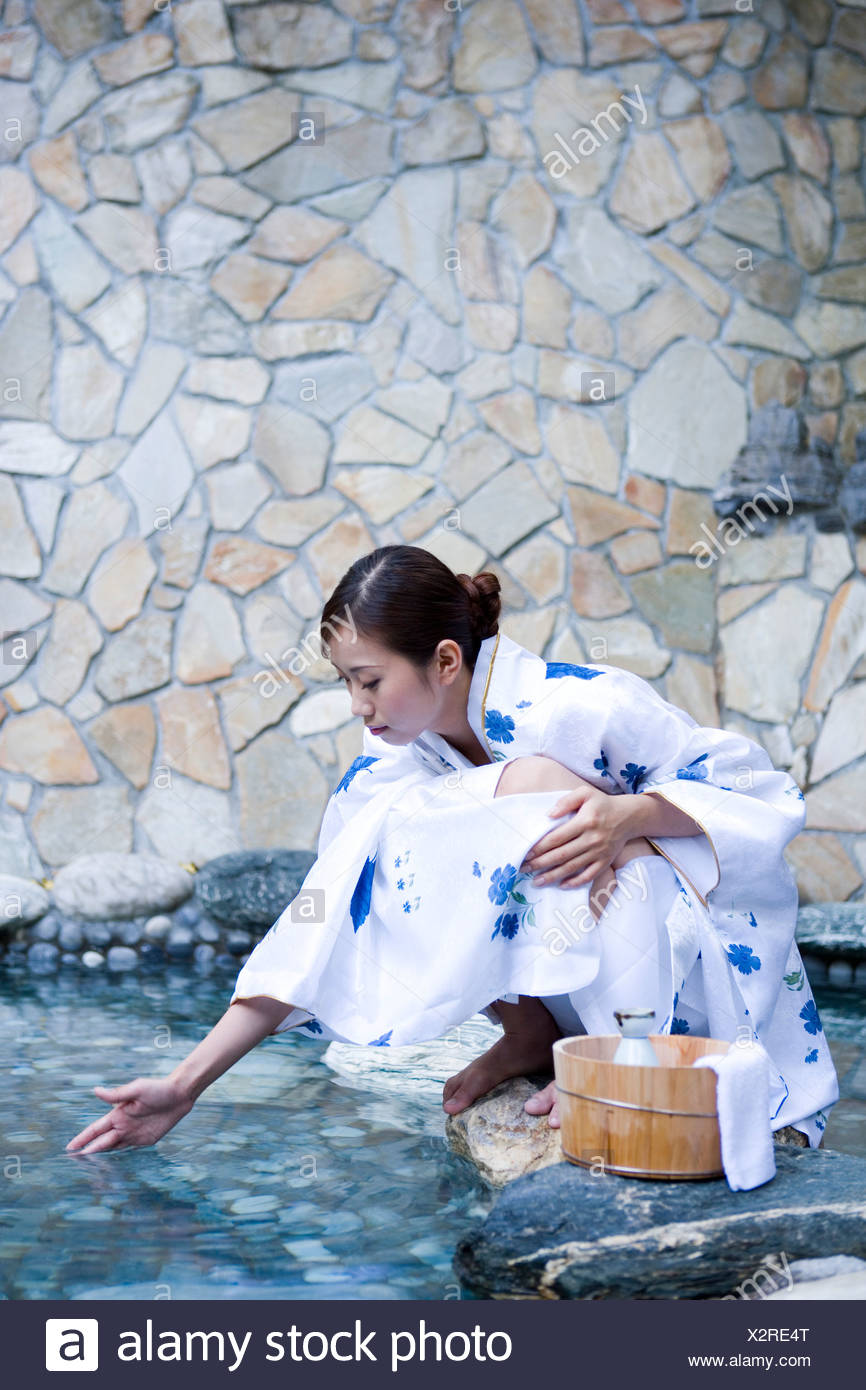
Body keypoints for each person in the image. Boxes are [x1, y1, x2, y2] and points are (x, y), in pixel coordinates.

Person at [66, 545, 838, 1156]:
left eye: (369, 681)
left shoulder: (576, 705)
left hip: (702, 971)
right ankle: (535, 1032)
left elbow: (761, 795)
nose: (358, 707)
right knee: (404, 830)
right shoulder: (394, 769)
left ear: (443, 660)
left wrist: (627, 815)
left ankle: (620, 1063)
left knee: (542, 790)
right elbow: (317, 927)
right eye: (346, 684)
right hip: (588, 964)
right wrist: (187, 1082)